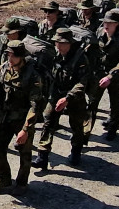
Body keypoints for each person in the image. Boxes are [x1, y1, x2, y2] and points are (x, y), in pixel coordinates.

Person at [0, 40, 44, 196]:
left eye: (13, 56)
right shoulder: (3, 69)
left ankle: (21, 183)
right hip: (4, 117)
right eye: (8, 55)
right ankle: (4, 179)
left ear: (21, 56)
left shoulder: (32, 75)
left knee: (24, 152)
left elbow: (35, 105)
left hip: (22, 119)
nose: (10, 59)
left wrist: (26, 129)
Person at [36, 28, 92, 169]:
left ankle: (76, 151)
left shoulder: (80, 58)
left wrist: (67, 98)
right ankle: (42, 155)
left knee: (76, 124)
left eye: (62, 43)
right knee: (48, 120)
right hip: (56, 93)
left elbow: (82, 83)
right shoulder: (54, 54)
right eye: (56, 43)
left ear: (70, 43)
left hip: (74, 96)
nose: (58, 46)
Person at [91, 9, 119, 141]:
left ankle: (113, 129)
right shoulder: (100, 32)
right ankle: (86, 131)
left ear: (117, 24)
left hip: (116, 75)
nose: (106, 25)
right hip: (99, 73)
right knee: (92, 102)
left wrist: (110, 76)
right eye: (104, 23)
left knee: (115, 102)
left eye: (110, 23)